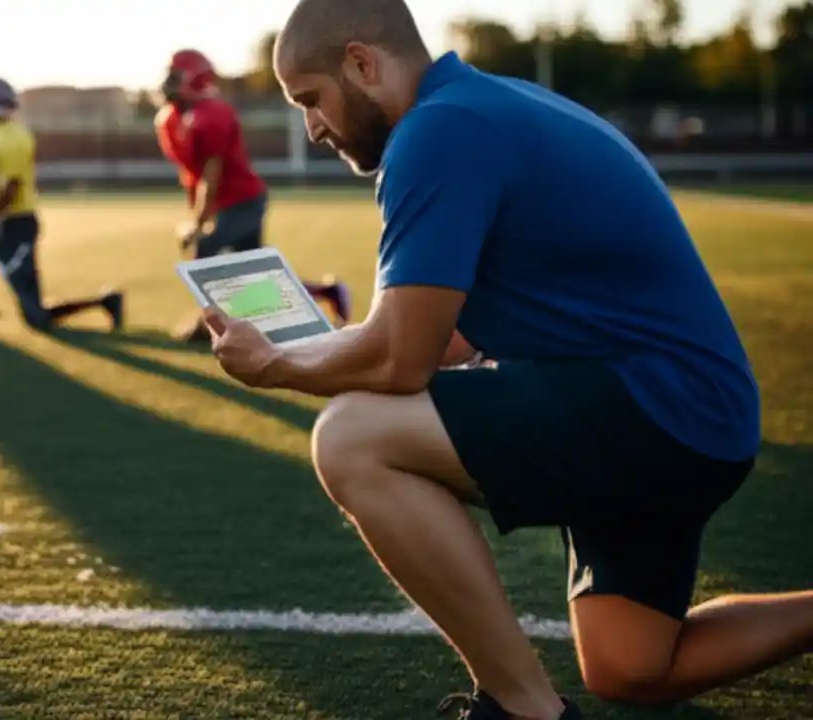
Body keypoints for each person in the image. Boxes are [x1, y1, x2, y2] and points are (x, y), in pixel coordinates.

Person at [203, 1, 813, 719]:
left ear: (362, 64)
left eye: (311, 99)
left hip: (656, 406)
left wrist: (273, 366)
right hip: (692, 415)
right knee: (633, 666)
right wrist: (300, 347)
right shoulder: (476, 106)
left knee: (352, 439)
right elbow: (445, 340)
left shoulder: (438, 131)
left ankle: (524, 711)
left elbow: (401, 360)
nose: (311, 125)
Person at [155, 49, 351, 341]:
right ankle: (327, 292)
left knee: (206, 251)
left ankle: (210, 324)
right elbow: (192, 177)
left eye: (176, 77)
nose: (169, 83)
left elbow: (211, 175)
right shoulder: (170, 120)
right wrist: (197, 214)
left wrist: (197, 224)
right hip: (228, 203)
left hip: (244, 201)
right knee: (256, 279)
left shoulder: (211, 115)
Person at [0, 78, 123, 332]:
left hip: (17, 224)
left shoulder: (14, 136)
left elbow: (12, 186)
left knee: (36, 317)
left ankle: (106, 302)